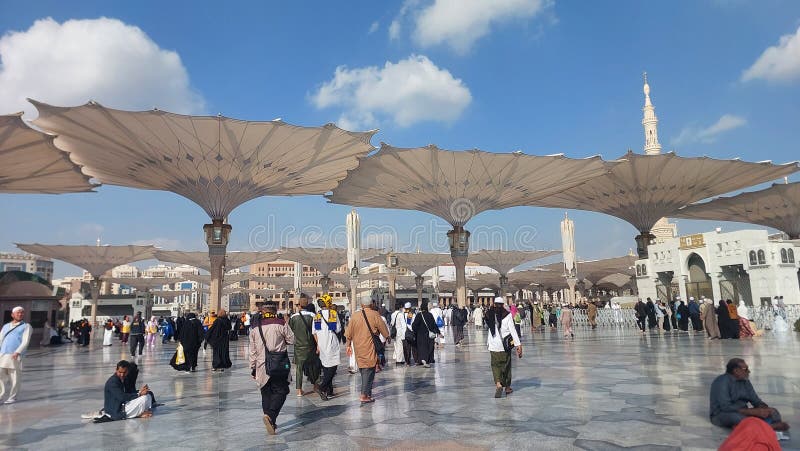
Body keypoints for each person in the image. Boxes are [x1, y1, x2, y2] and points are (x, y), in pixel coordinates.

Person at [709, 358, 789, 432]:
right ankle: (768, 427)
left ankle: (757, 426)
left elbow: (755, 400)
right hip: (722, 414)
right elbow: (725, 407)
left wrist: (764, 408)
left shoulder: (745, 381)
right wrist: (751, 412)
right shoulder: (721, 382)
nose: (749, 371)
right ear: (736, 370)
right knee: (737, 418)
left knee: (774, 412)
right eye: (745, 369)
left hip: (744, 412)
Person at [249, 301, 294, 435]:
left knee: (266, 393)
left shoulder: (255, 327)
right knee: (282, 390)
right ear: (275, 311)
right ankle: (270, 416)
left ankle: (270, 420)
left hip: (262, 365)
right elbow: (292, 340)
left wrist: (253, 367)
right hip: (279, 363)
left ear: (262, 311)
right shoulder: (281, 323)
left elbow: (252, 350)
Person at [344, 297, 390, 404]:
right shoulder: (374, 314)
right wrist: (387, 337)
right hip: (369, 345)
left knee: (363, 369)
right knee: (369, 370)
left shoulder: (354, 316)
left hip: (358, 346)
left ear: (361, 305)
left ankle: (367, 393)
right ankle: (364, 395)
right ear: (371, 304)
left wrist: (348, 345)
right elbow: (383, 327)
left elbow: (348, 333)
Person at [485, 297, 522, 398]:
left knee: (495, 365)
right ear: (503, 305)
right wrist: (518, 344)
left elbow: (488, 325)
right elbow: (513, 330)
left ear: (494, 304)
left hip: (493, 345)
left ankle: (498, 384)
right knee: (506, 366)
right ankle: (507, 387)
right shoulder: (507, 315)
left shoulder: (489, 314)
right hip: (504, 345)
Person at [0, 306, 33, 404]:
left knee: (15, 377)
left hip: (15, 355)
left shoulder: (27, 326)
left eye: (22, 312)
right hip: (3, 354)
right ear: (12, 315)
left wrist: (18, 351)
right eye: (18, 312)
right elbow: (1, 339)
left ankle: (12, 397)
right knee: (1, 376)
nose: (20, 314)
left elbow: (25, 341)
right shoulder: (6, 326)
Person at [288, 297, 319, 397]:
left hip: (298, 347)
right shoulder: (314, 316)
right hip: (311, 346)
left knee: (299, 369)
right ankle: (315, 385)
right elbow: (317, 331)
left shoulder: (293, 317)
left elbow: (290, 331)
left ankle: (299, 390)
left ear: (299, 306)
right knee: (313, 366)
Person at [313, 295, 341, 401]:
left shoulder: (317, 315)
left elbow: (314, 332)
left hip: (321, 344)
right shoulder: (333, 313)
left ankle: (328, 391)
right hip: (331, 343)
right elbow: (337, 329)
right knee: (333, 367)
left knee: (326, 367)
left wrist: (318, 345)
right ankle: (321, 387)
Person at [412, 301, 441, 368]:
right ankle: (427, 361)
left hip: (420, 335)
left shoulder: (419, 315)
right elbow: (434, 324)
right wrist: (438, 332)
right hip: (429, 335)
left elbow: (414, 325)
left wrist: (415, 331)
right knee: (429, 348)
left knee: (422, 348)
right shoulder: (430, 315)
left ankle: (423, 359)